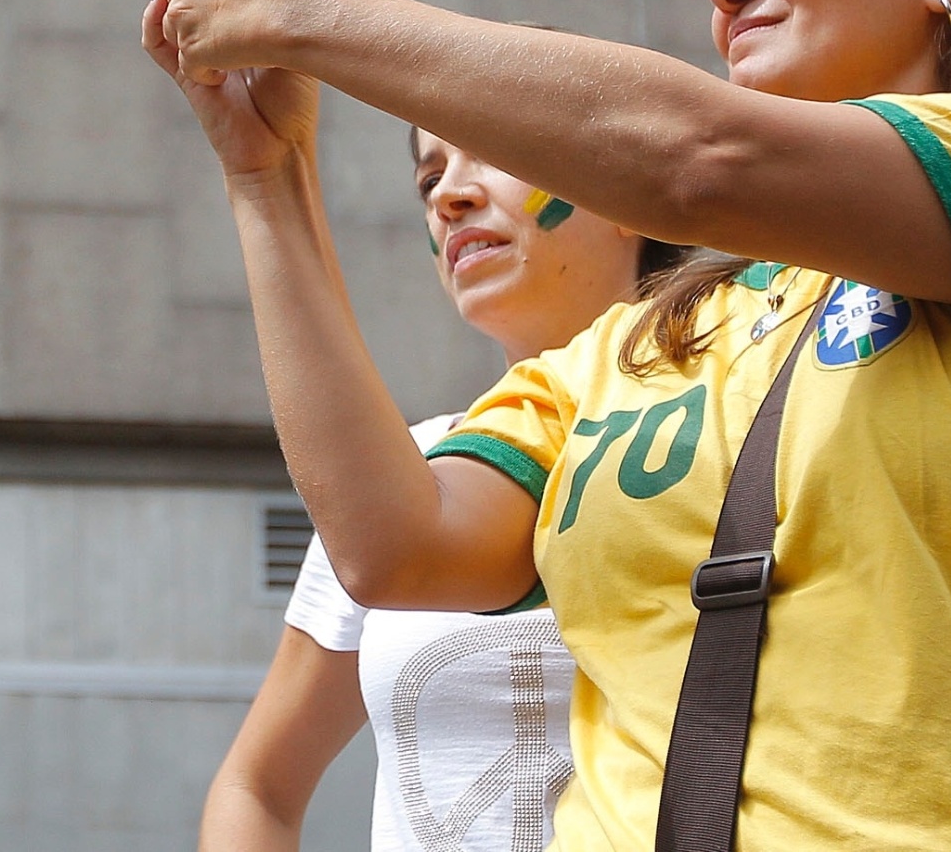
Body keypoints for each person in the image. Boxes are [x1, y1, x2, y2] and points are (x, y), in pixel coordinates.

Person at [138, 0, 951, 850]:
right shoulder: (635, 344)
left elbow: (696, 159)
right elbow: (394, 547)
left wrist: (301, 8)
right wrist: (267, 174)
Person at [201, 122, 681, 852]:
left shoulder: (740, 429)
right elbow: (257, 786)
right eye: (429, 180)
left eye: (503, 150)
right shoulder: (402, 477)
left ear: (630, 195)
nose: (449, 197)